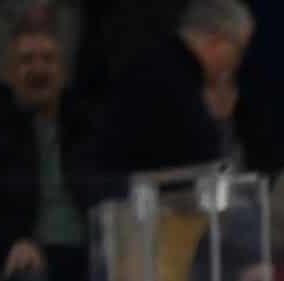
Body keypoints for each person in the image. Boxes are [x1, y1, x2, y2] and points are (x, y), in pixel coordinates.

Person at [0, 15, 91, 281]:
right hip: (31, 255)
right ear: (9, 74)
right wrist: (12, 243)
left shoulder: (89, 124)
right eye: (27, 60)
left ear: (63, 72)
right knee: (27, 280)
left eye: (48, 59)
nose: (39, 69)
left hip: (93, 248)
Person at [91, 0, 253, 186]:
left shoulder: (152, 61)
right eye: (239, 50)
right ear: (216, 41)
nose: (237, 62)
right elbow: (212, 171)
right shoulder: (179, 84)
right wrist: (219, 122)